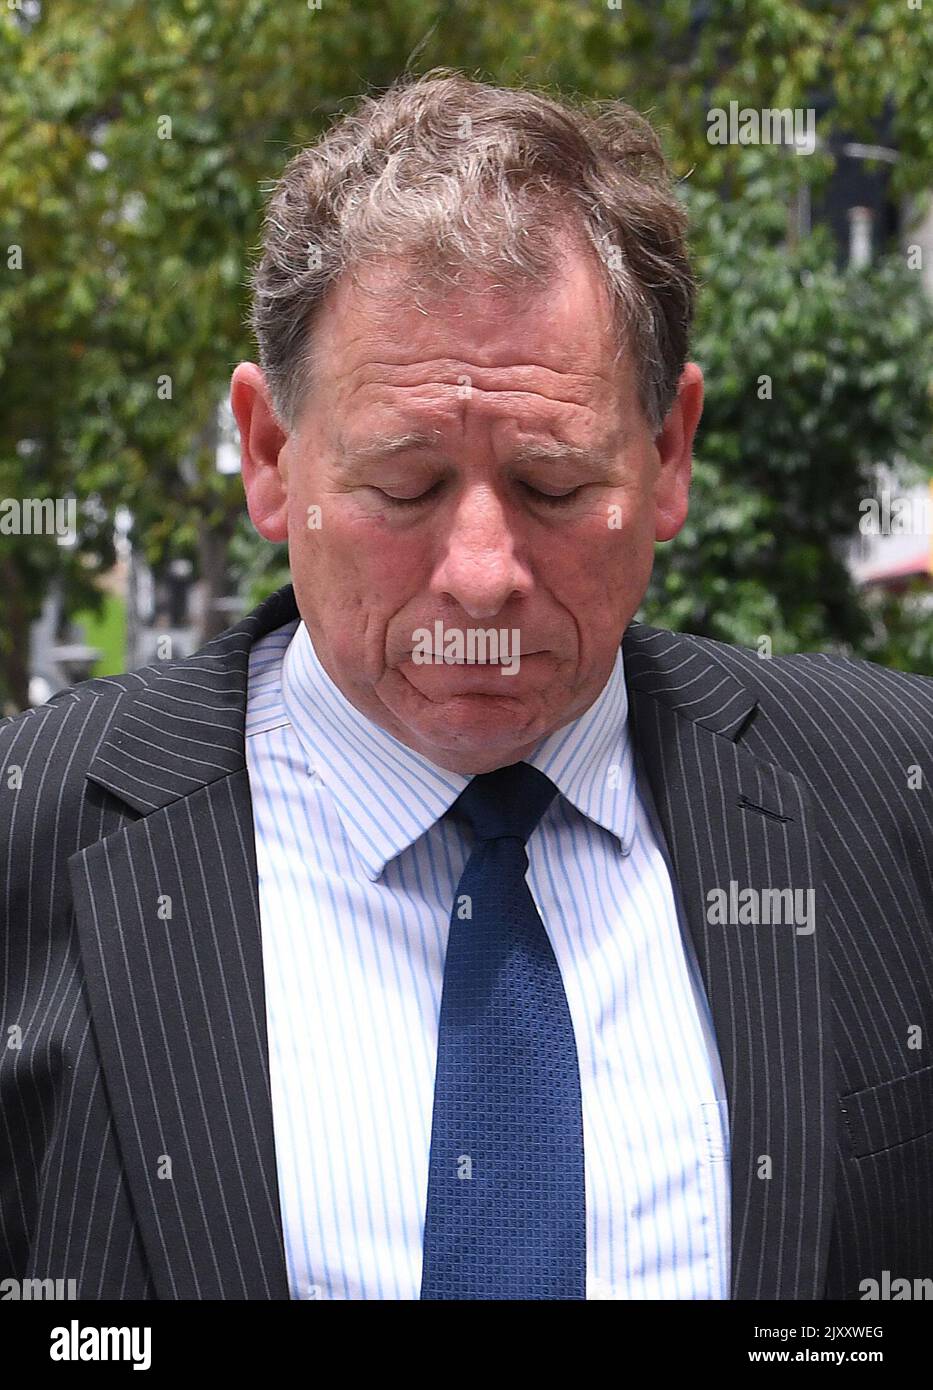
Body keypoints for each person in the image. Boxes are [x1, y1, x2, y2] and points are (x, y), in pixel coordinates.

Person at [2, 68, 931, 1301]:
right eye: (404, 486)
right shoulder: (36, 832)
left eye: (552, 486)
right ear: (271, 457)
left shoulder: (887, 795)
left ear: (667, 456)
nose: (482, 573)